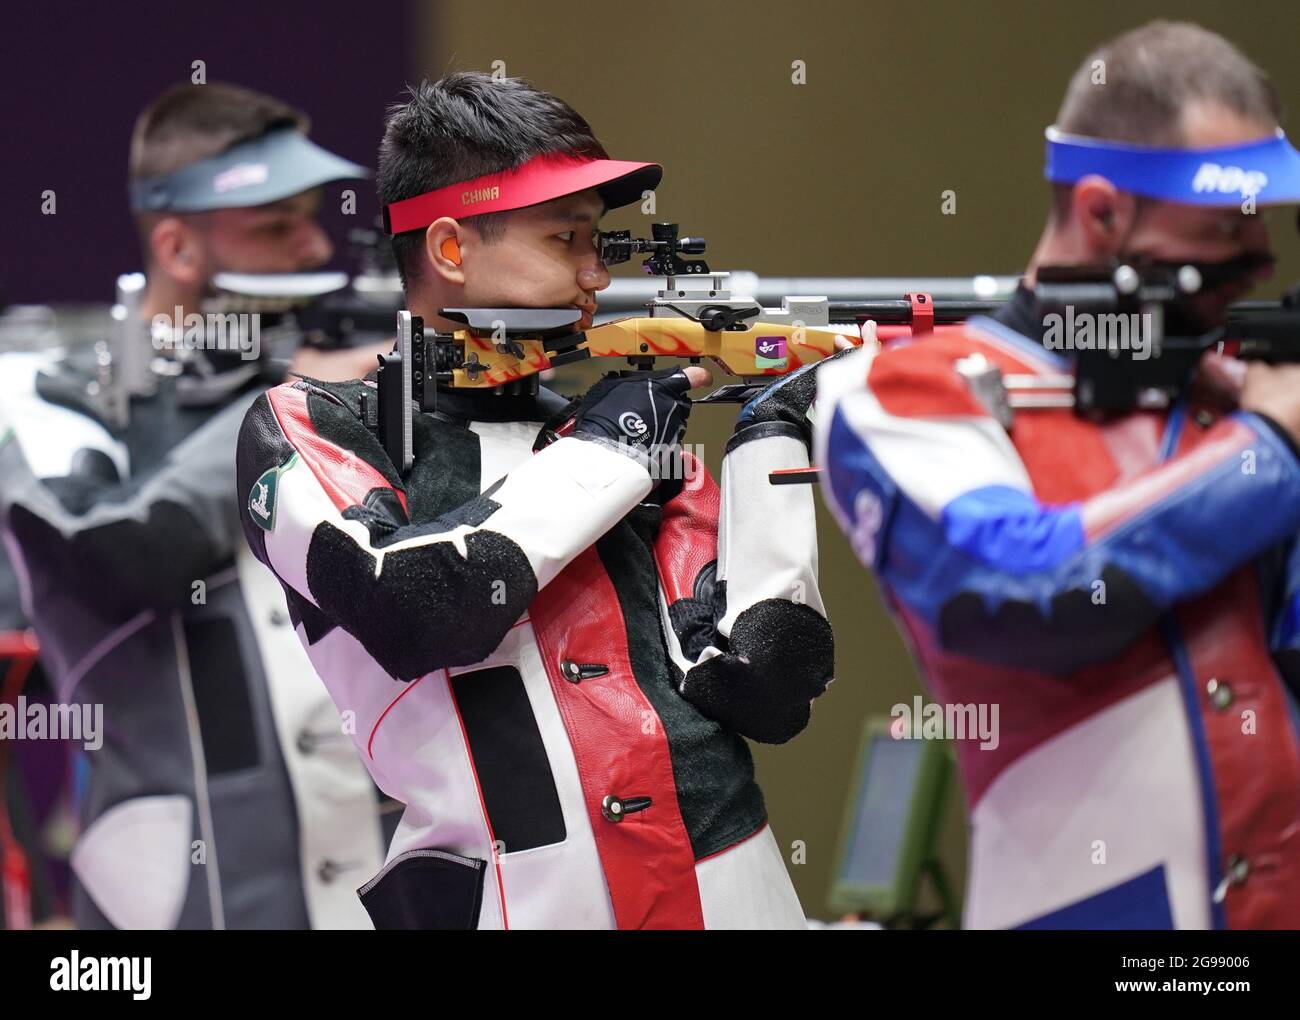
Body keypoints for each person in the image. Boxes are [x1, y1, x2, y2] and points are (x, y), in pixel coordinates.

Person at [236, 72, 838, 929]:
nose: (596, 273)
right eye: (566, 238)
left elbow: (766, 690)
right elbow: (420, 608)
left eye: (601, 244)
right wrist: (609, 448)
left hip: (732, 891)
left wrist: (770, 439)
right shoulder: (312, 424)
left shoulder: (635, 441)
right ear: (449, 249)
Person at [817, 21, 1300, 929]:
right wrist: (1268, 447)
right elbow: (1020, 588)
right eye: (1220, 229)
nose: (1254, 263)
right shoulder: (901, 386)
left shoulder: (1234, 389)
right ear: (1104, 211)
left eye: (1261, 227)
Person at [0, 81, 394, 929]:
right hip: (178, 893)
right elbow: (115, 555)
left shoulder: (332, 380)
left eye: (311, 217)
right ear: (177, 249)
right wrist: (296, 401)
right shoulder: (45, 396)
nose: (314, 245)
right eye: (276, 225)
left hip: (374, 867)